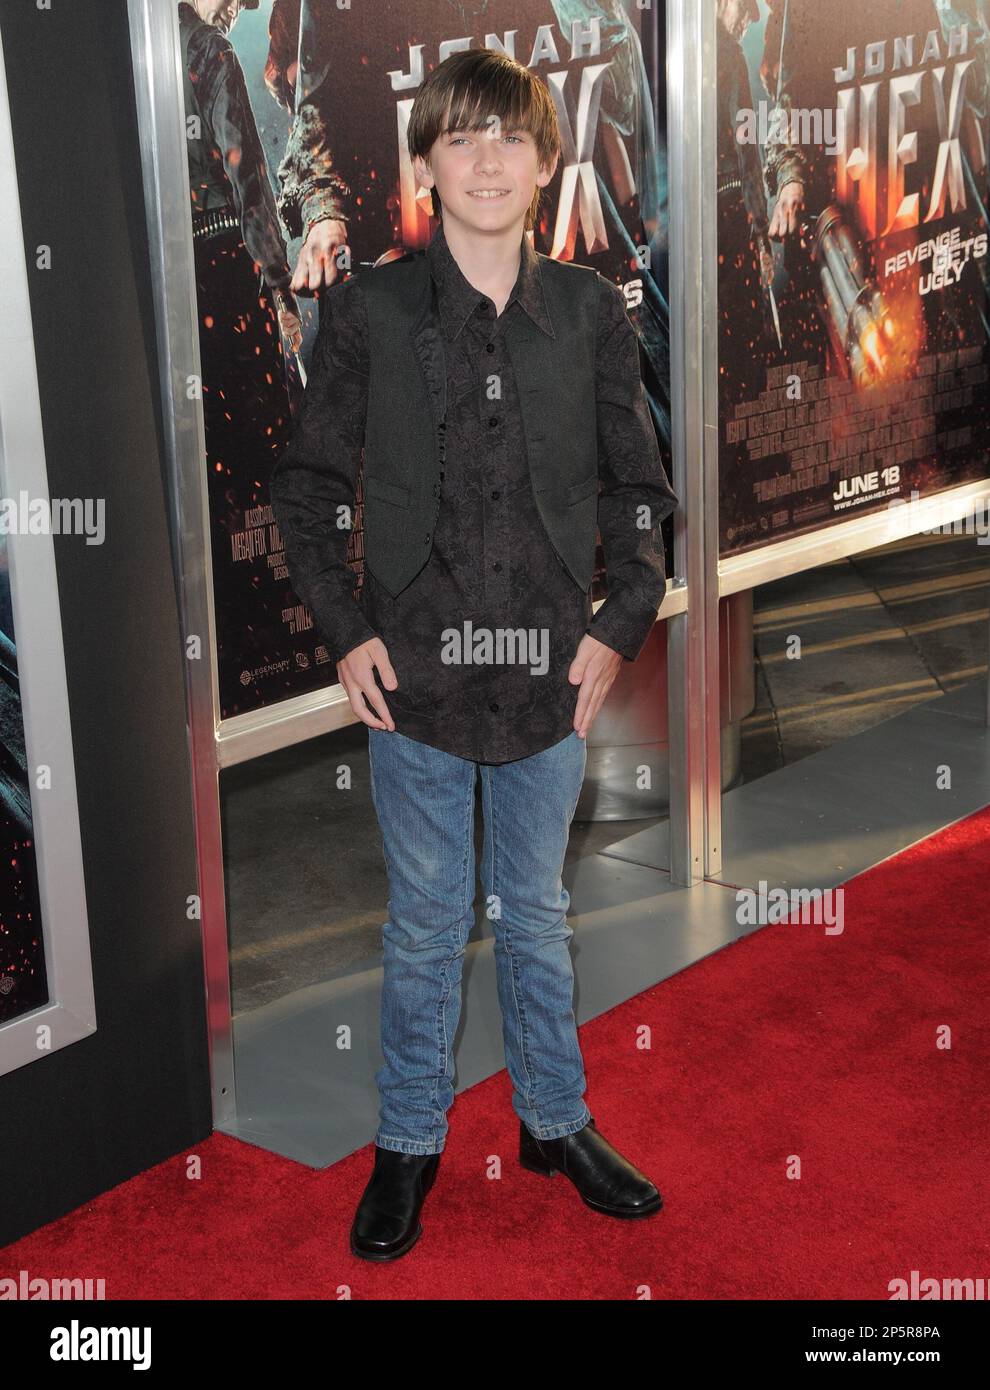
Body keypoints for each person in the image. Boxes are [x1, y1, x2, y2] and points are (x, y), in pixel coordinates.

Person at [269, 47, 679, 1262]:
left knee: (542, 912)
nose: (488, 160)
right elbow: (301, 489)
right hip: (419, 685)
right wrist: (346, 635)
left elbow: (642, 495)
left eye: (510, 139)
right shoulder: (372, 315)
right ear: (425, 162)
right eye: (462, 139)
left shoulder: (595, 315)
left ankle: (554, 1122)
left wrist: (621, 624)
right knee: (427, 919)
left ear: (547, 161)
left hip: (555, 672)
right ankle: (408, 1141)